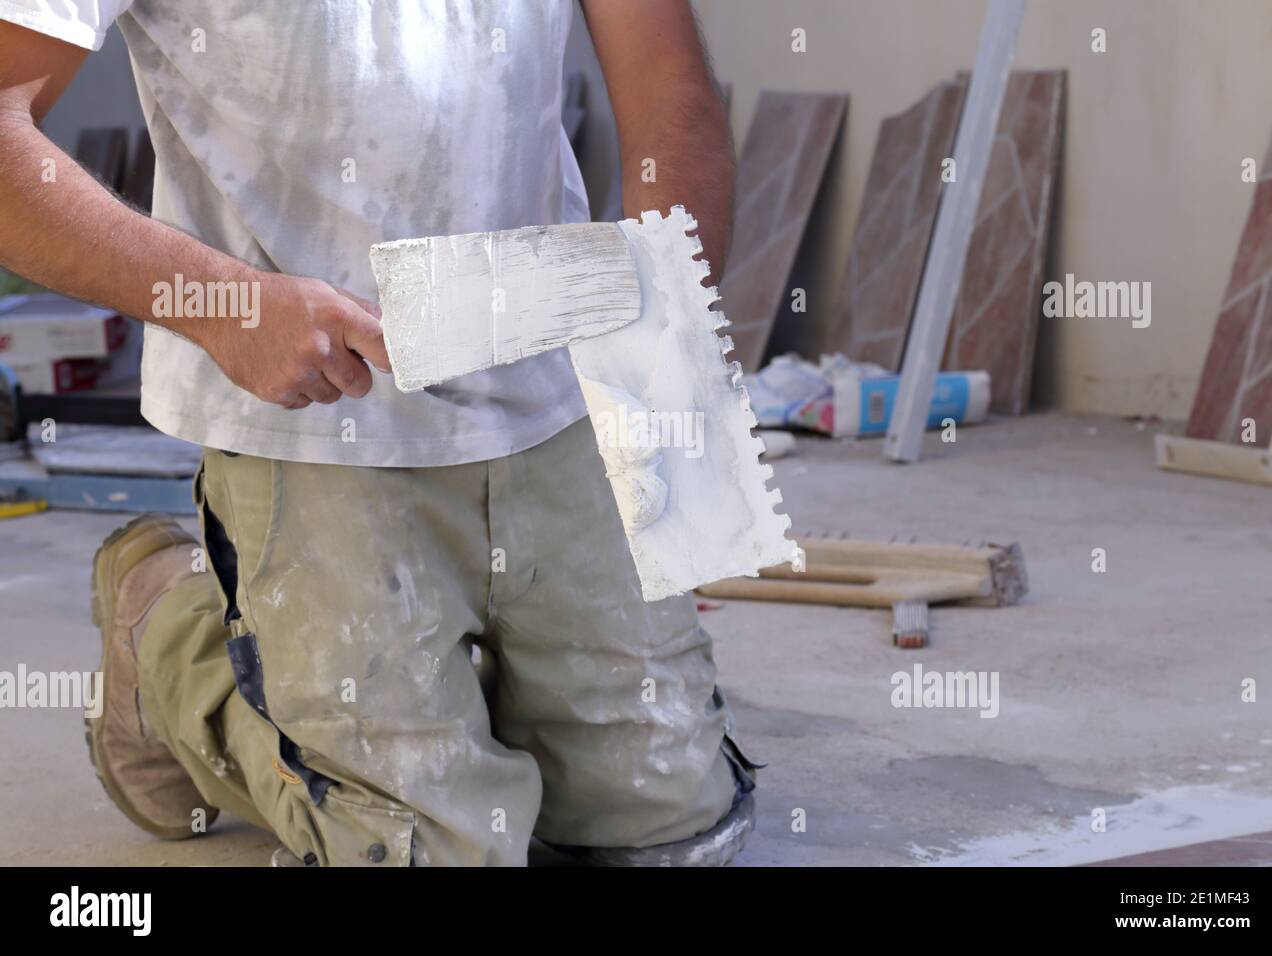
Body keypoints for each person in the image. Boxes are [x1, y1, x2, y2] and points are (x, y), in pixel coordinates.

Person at [0, 0, 758, 866]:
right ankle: (173, 635)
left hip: (554, 373)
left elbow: (668, 83)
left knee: (670, 824)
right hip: (318, 418)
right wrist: (225, 303)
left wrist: (664, 321)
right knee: (422, 849)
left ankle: (442, 689)